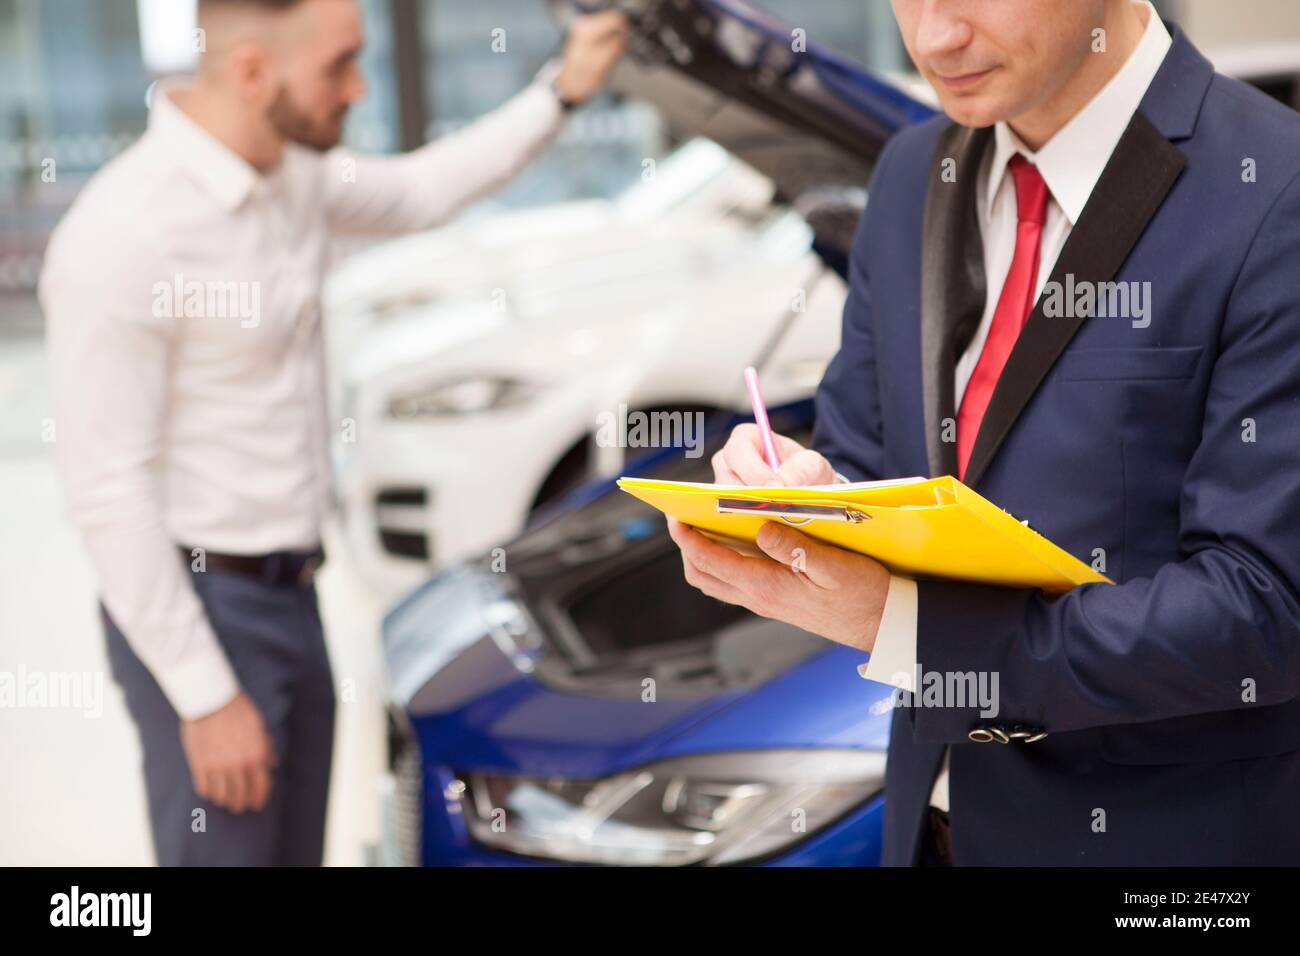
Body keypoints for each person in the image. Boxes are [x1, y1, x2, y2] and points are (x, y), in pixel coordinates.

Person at [669, 0, 1300, 865]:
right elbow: (867, 451)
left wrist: (910, 627)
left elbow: (1265, 608)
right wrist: (801, 493)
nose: (934, 38)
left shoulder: (1276, 190)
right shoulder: (908, 174)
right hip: (930, 828)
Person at [41, 0, 627, 865]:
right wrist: (205, 698)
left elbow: (427, 188)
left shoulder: (292, 173)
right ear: (250, 70)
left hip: (294, 594)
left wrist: (562, 91)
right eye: (338, 65)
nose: (358, 87)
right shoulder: (124, 234)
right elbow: (106, 491)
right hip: (199, 611)